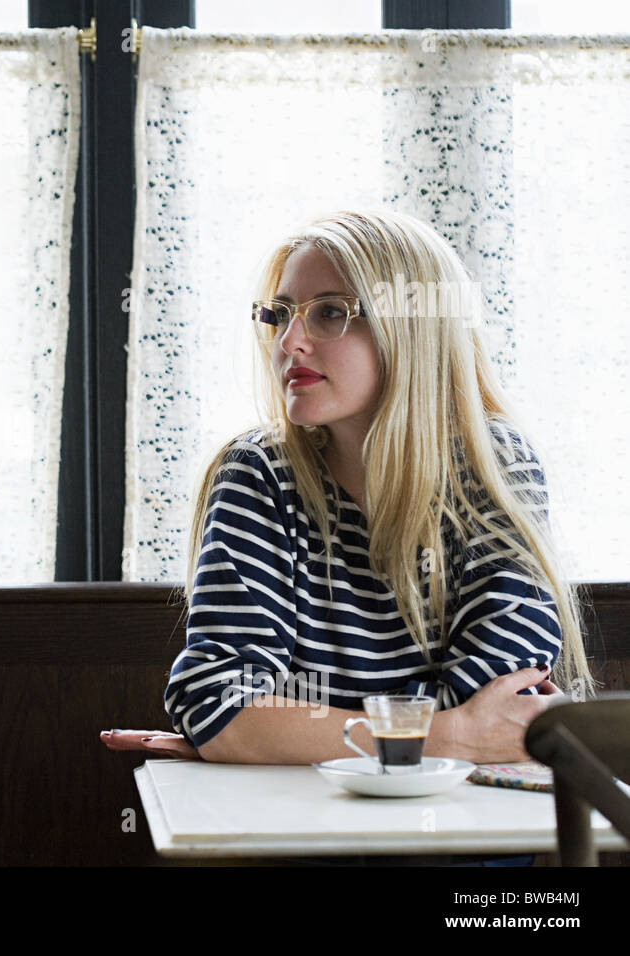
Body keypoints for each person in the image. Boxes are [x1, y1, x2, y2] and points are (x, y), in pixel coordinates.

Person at [102, 209, 593, 770]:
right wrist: (447, 735)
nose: (291, 341)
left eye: (331, 312)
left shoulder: (496, 465)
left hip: (462, 827)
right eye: (281, 314)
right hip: (297, 821)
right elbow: (218, 705)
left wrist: (277, 731)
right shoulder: (257, 473)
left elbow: (498, 704)